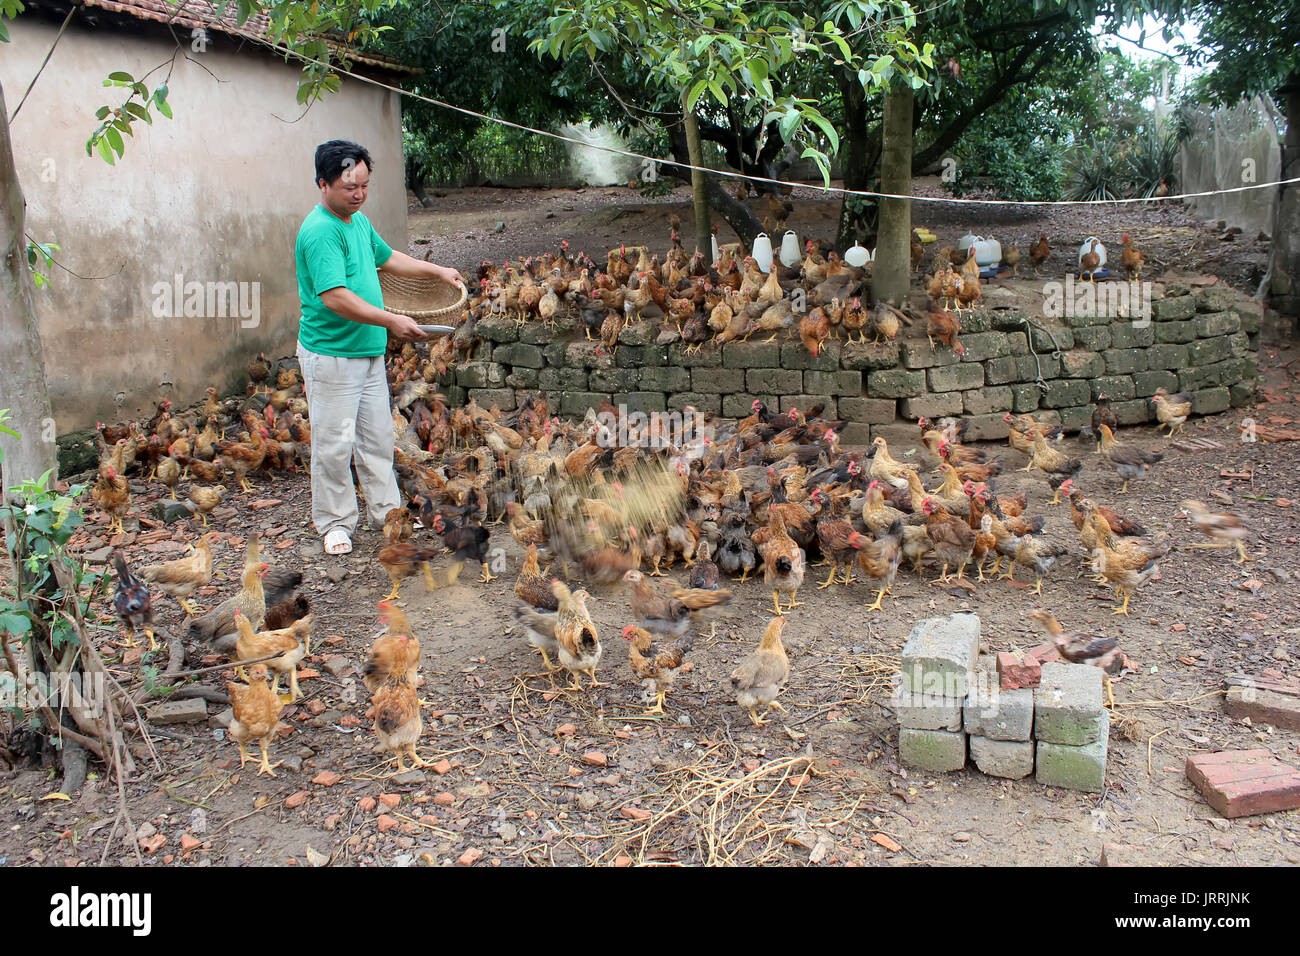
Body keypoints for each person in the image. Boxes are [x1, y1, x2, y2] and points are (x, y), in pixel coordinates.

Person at [294, 139, 463, 555]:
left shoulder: (358, 222)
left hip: (367, 353)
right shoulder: (320, 232)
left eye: (365, 185)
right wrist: (391, 321)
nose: (359, 194)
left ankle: (387, 511)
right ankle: (334, 522)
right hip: (332, 354)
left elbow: (389, 259)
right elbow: (334, 296)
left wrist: (437, 270)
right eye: (350, 187)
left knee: (377, 437)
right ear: (323, 183)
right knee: (335, 442)